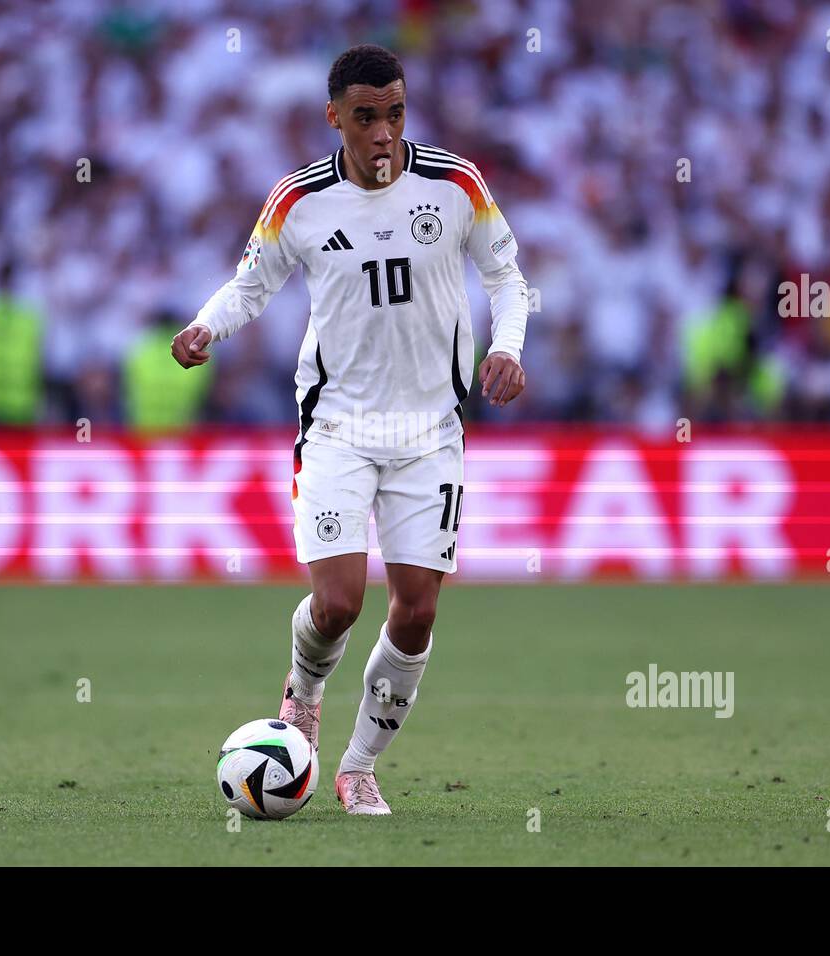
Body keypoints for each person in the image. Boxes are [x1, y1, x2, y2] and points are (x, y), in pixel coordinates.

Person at [173, 44, 529, 815]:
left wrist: (507, 347)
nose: (382, 134)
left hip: (432, 429)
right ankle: (302, 692)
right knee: (337, 603)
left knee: (418, 610)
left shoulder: (457, 182)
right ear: (334, 118)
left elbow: (506, 276)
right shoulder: (298, 200)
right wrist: (206, 328)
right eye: (365, 117)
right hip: (336, 425)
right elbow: (252, 282)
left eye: (395, 114)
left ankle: (358, 765)